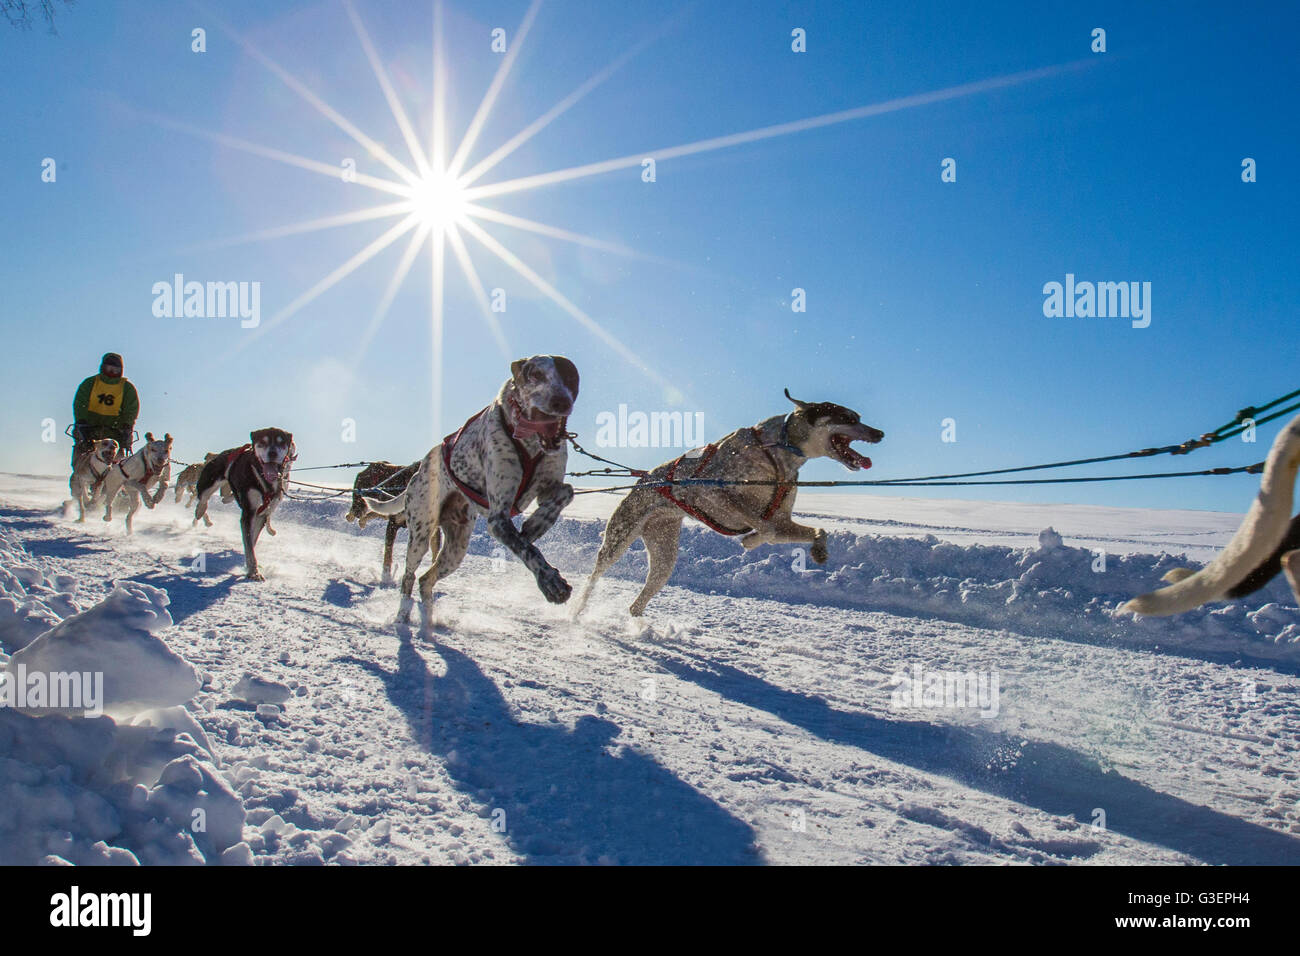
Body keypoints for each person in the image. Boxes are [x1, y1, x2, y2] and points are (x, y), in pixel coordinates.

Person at [72, 352, 139, 466]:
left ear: (120, 370)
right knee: (81, 460)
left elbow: (130, 409)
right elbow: (80, 404)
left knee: (117, 463)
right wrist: (82, 422)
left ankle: (116, 477)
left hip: (115, 432)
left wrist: (126, 426)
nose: (112, 372)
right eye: (109, 368)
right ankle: (81, 474)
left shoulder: (127, 388)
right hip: (89, 430)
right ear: (103, 367)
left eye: (115, 369)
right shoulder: (90, 383)